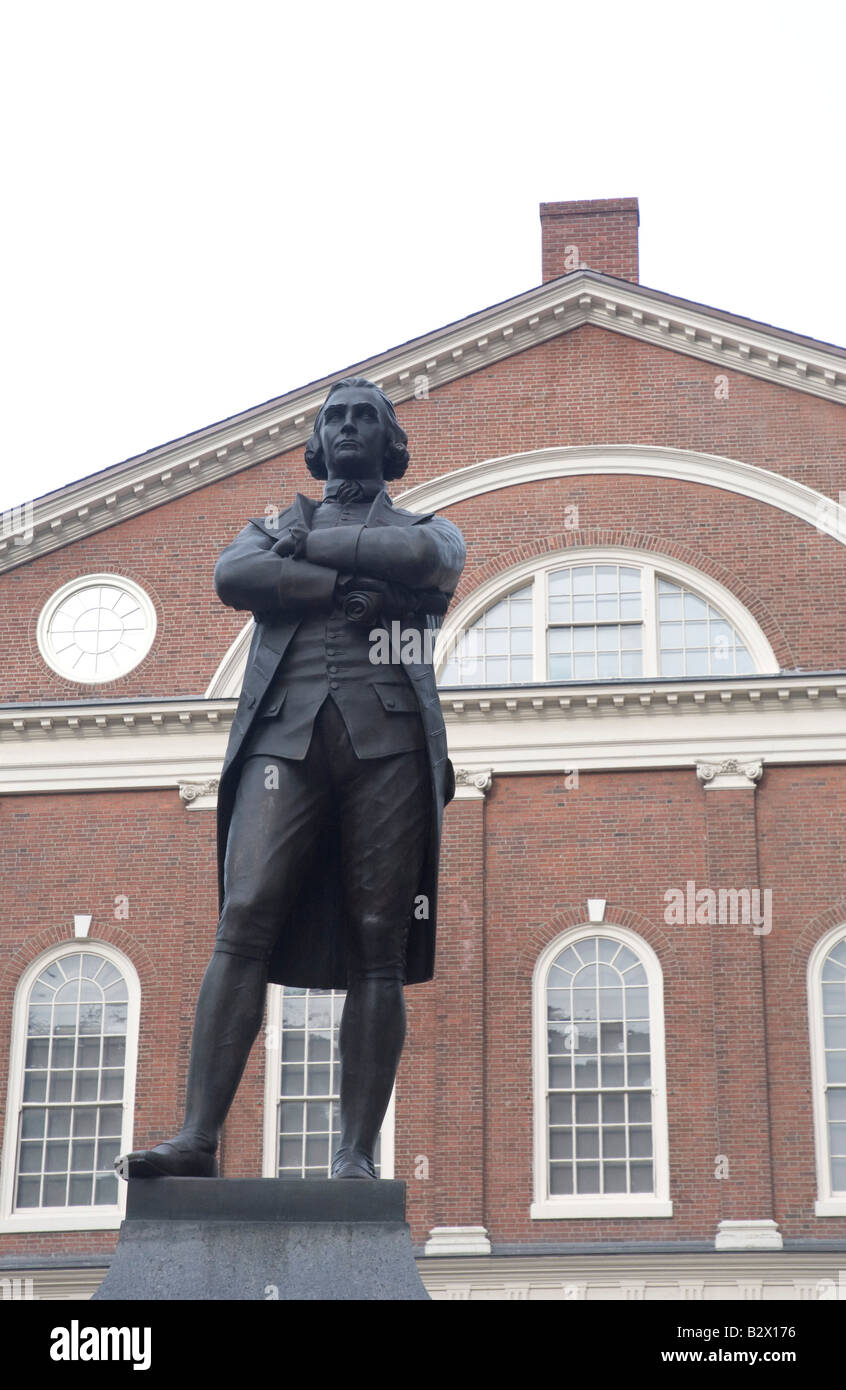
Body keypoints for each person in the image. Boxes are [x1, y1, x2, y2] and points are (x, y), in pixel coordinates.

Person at [119, 377, 466, 1180]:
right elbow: (232, 576)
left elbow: (418, 560)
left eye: (363, 420)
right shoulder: (268, 527)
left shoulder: (423, 527)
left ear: (389, 444)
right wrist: (342, 584)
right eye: (334, 419)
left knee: (380, 943)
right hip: (285, 737)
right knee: (243, 914)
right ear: (316, 442)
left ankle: (354, 1155)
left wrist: (302, 555)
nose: (347, 429)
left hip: (389, 746)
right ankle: (198, 1139)